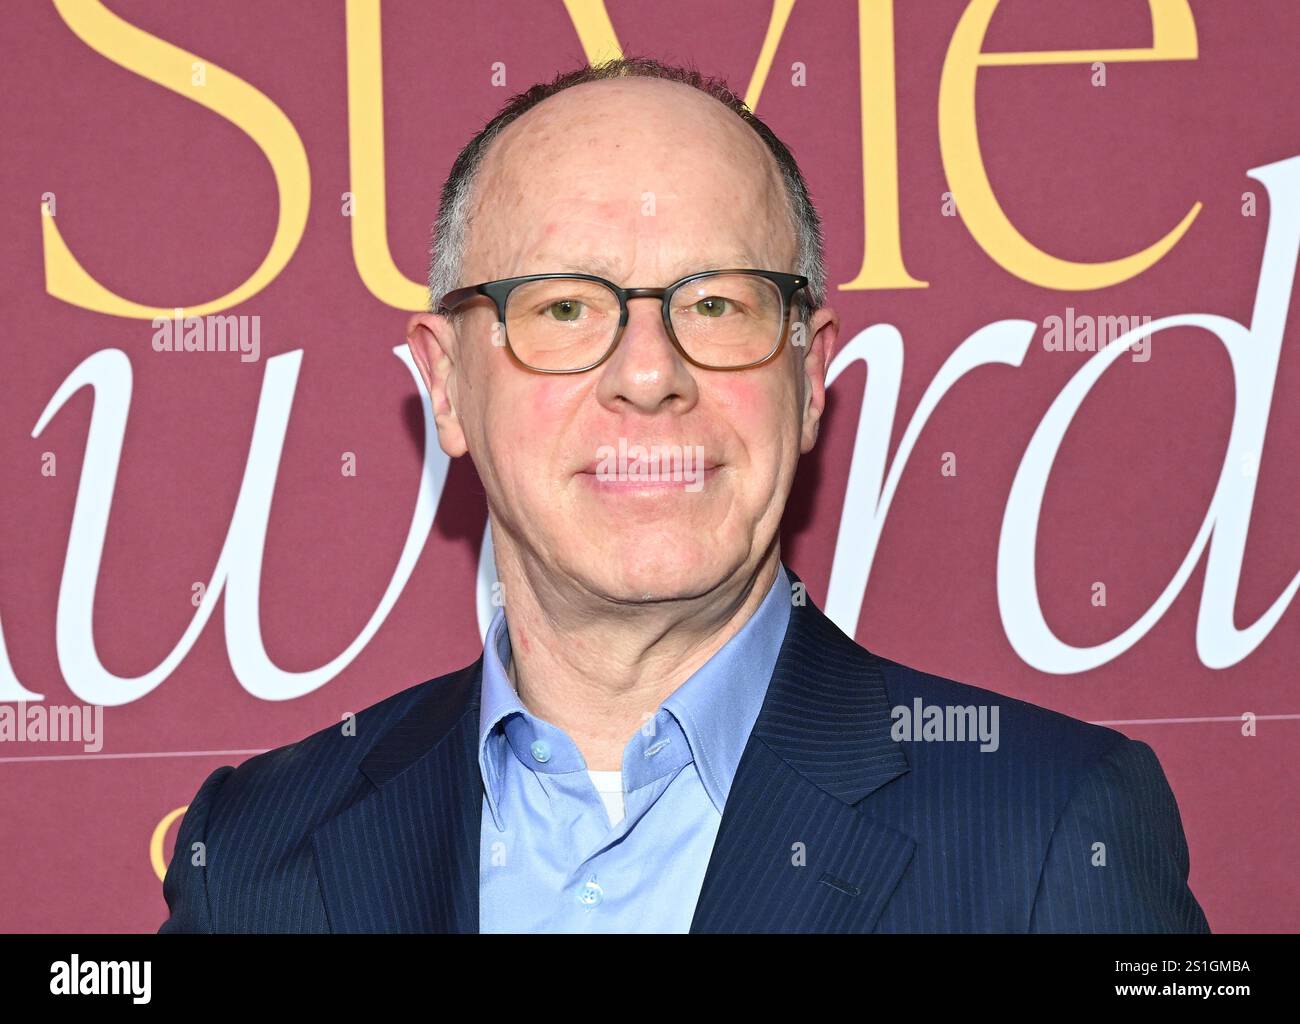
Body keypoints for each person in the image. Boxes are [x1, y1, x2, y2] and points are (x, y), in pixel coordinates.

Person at [159, 56, 1210, 933]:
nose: (650, 373)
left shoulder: (1052, 828)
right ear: (446, 385)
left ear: (806, 378)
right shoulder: (254, 855)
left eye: (716, 302)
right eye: (564, 307)